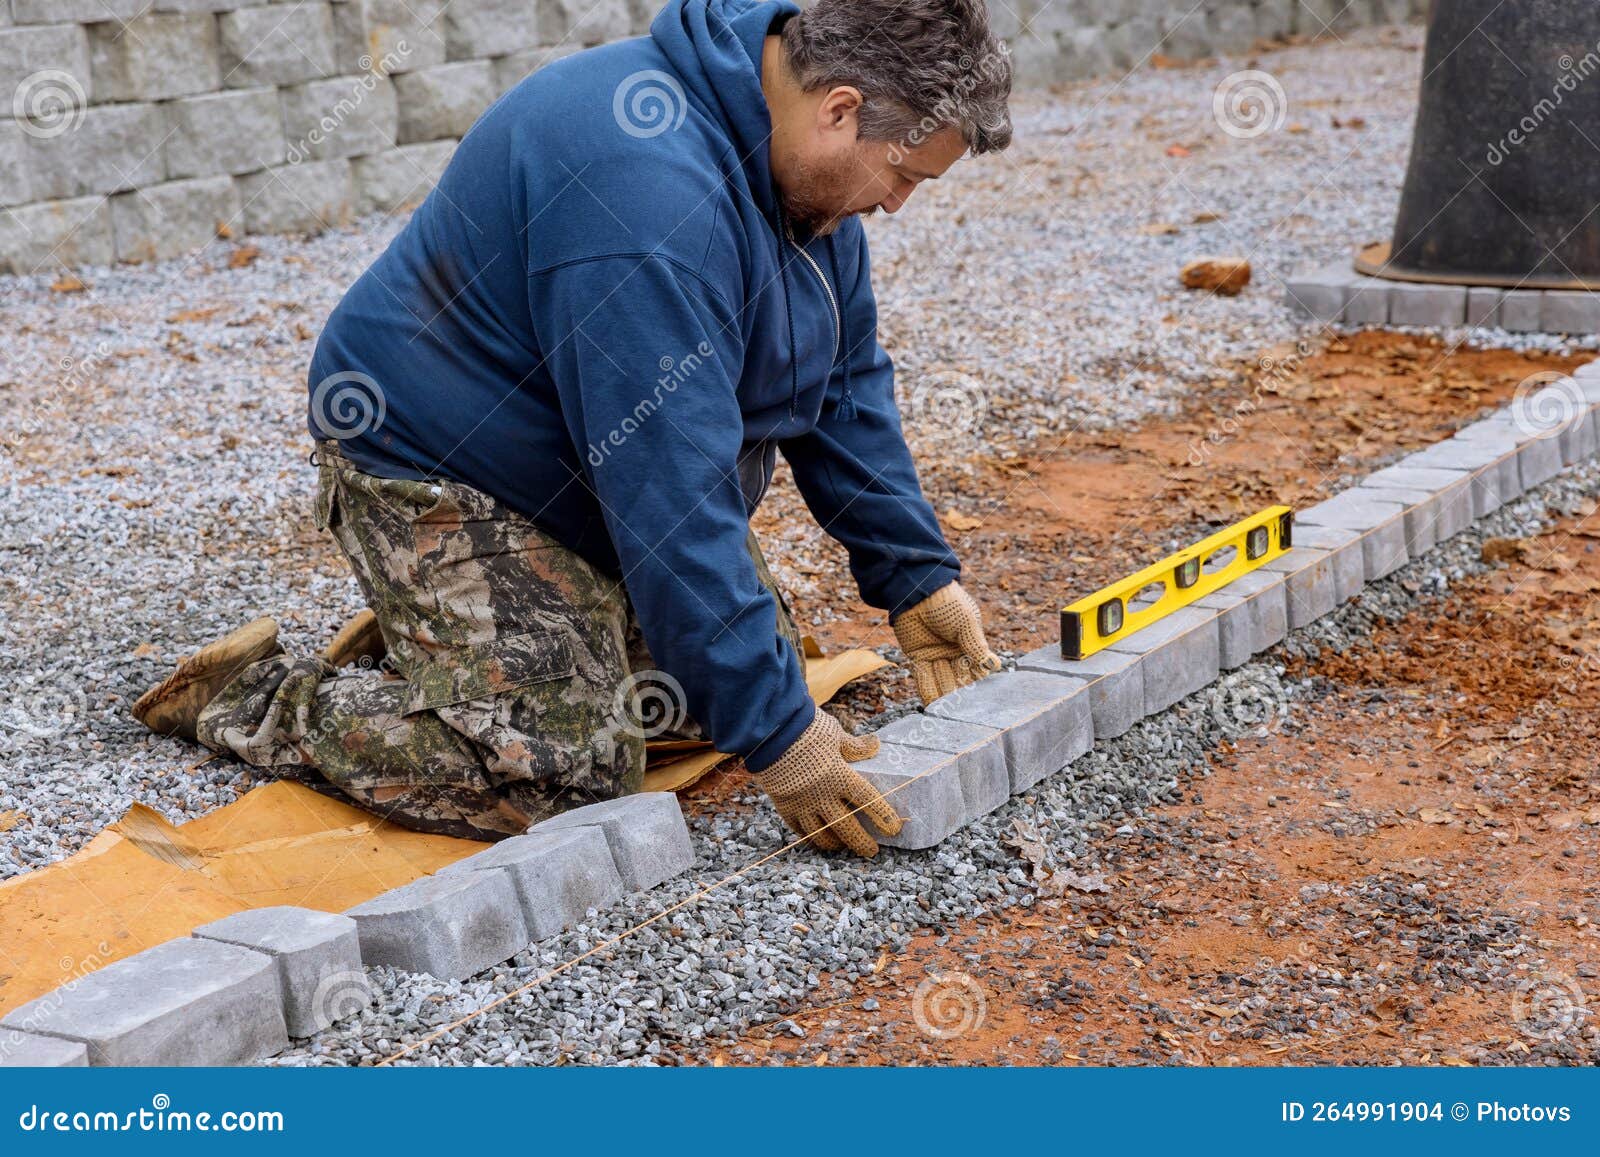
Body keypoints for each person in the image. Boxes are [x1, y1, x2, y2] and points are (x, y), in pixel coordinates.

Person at [134, 0, 1012, 857]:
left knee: (713, 688)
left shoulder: (803, 170)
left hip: (589, 460)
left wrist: (916, 579)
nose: (896, 204)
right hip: (441, 459)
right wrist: (785, 741)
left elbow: (843, 382)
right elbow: (668, 496)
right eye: (903, 176)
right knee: (560, 772)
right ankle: (256, 695)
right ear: (841, 110)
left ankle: (466, 642)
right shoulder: (647, 200)